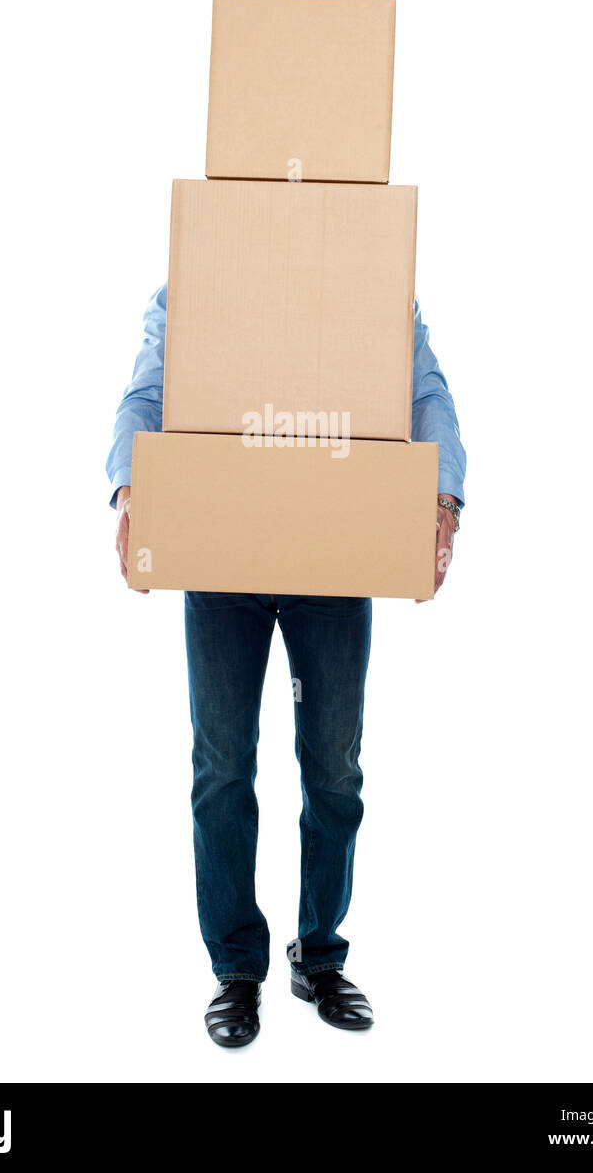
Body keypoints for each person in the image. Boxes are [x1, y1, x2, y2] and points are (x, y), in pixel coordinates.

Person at [107, 283, 466, 1046]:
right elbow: (148, 388)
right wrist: (129, 487)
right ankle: (237, 968)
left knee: (334, 767)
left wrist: (443, 500)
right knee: (223, 764)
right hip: (222, 561)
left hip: (329, 561)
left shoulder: (366, 274)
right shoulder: (202, 273)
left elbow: (424, 388)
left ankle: (319, 954)